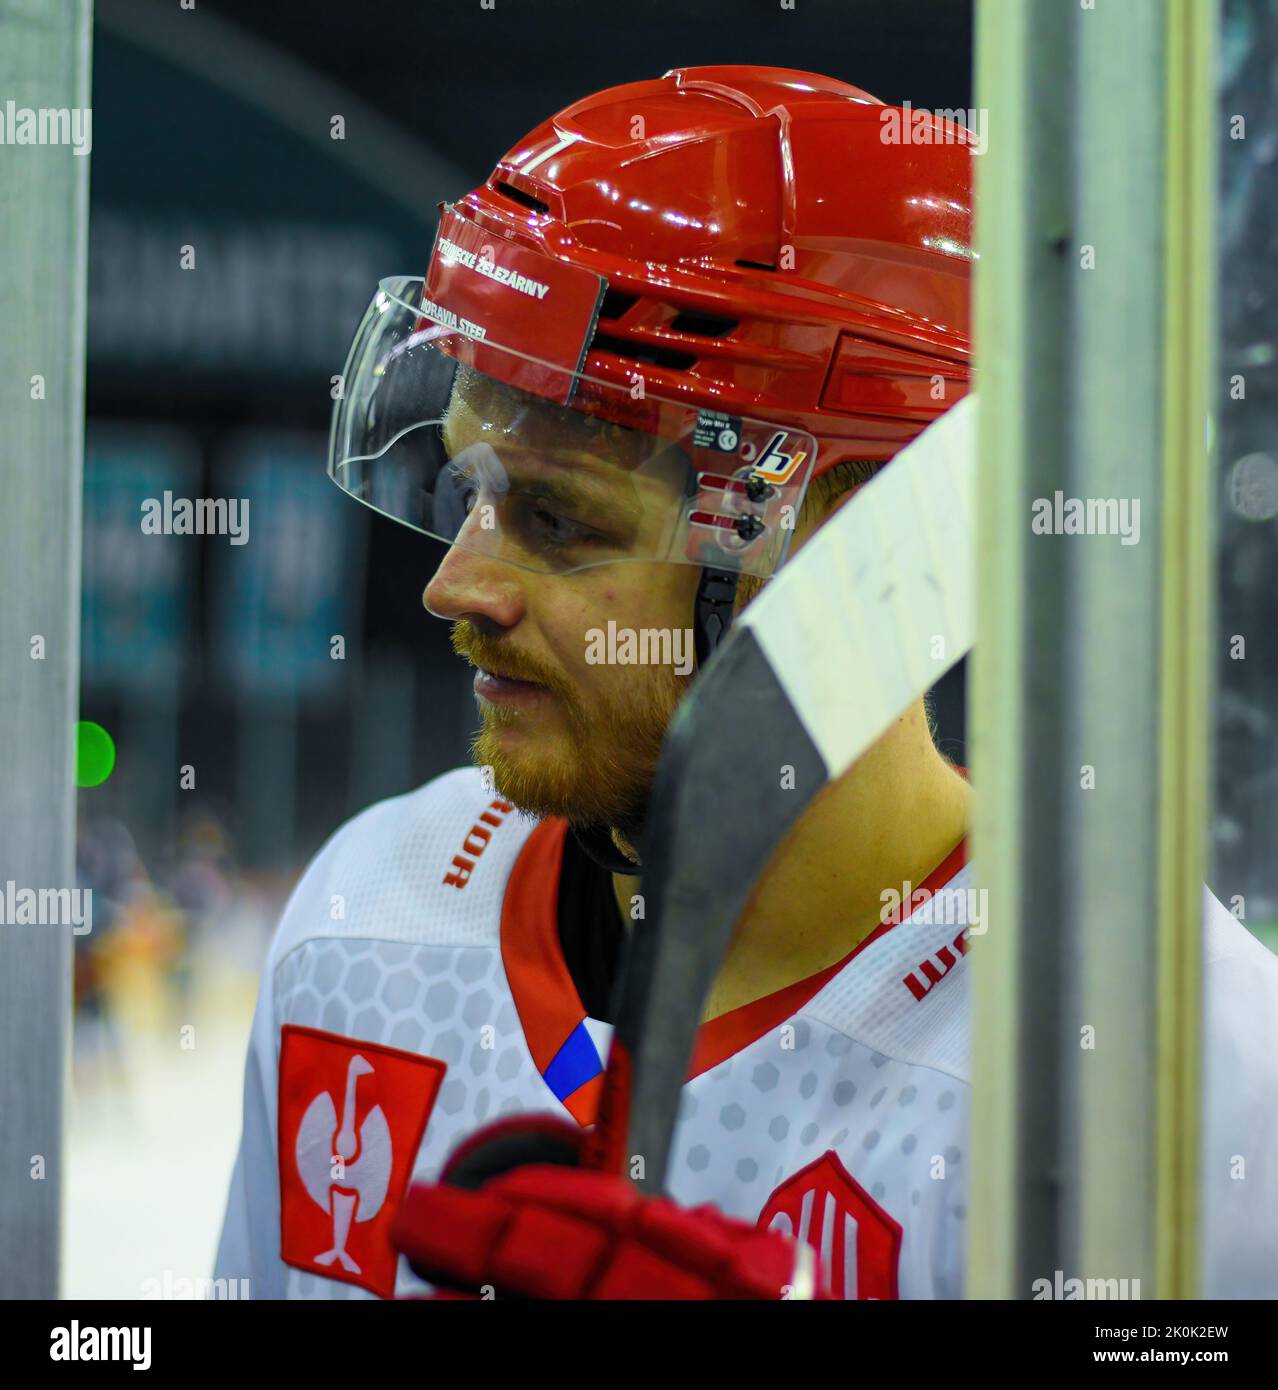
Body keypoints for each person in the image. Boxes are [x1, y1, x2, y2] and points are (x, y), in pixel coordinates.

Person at [215, 65, 1278, 1300]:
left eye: (558, 519)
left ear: (872, 544)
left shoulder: (1166, 1081)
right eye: (470, 492)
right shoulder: (367, 916)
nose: (456, 588)